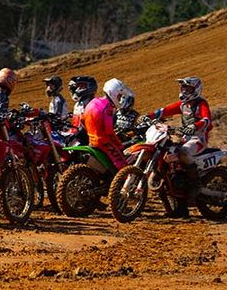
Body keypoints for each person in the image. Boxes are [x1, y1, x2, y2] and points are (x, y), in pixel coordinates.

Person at [148, 76, 213, 207]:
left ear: (196, 89)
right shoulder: (183, 105)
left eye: (188, 88)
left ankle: (196, 183)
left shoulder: (201, 104)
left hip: (198, 139)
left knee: (183, 152)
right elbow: (164, 111)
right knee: (168, 153)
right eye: (183, 87)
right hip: (184, 138)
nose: (185, 90)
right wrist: (147, 116)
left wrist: (196, 125)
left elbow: (207, 120)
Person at [82, 78, 134, 171]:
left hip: (91, 140)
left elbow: (82, 120)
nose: (120, 98)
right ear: (113, 93)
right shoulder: (108, 108)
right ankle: (124, 183)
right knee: (124, 165)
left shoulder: (93, 102)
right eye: (119, 96)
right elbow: (109, 131)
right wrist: (119, 144)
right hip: (103, 141)